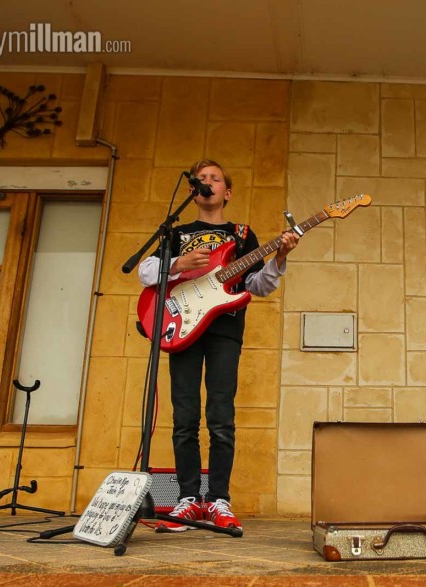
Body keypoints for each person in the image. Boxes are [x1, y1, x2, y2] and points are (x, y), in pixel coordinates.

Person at [138, 159, 299, 532]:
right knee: (185, 416)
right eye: (202, 178)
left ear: (226, 192)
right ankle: (188, 500)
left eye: (215, 178)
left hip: (225, 329)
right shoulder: (177, 233)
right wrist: (178, 262)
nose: (207, 182)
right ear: (194, 191)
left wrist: (281, 255)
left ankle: (219, 499)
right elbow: (145, 271)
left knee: (221, 417)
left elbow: (258, 286)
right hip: (181, 327)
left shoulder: (242, 235)